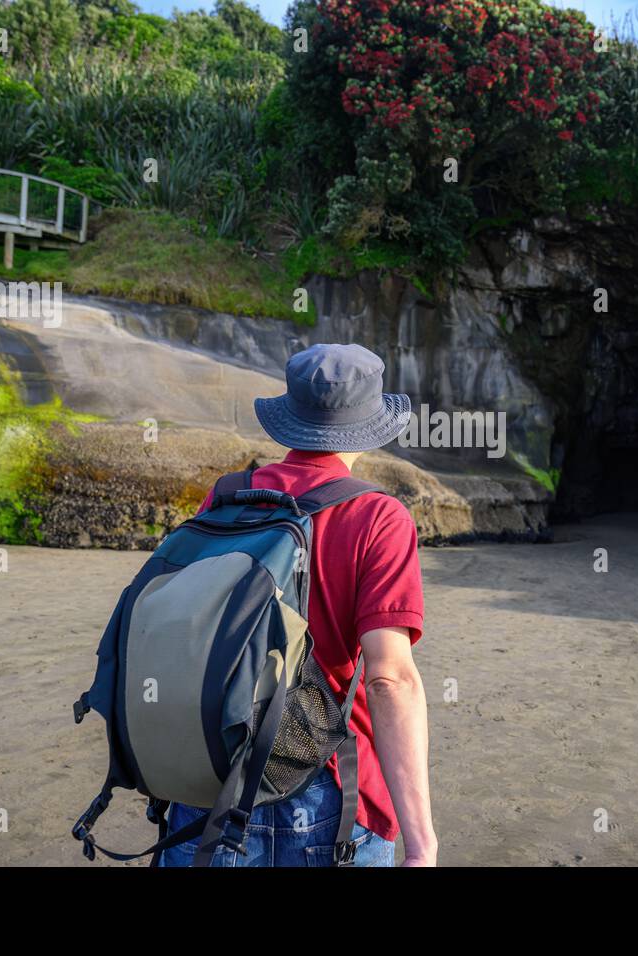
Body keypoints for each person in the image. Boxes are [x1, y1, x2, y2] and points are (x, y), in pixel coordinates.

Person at [160, 343, 438, 867]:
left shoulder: (228, 497)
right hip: (329, 792)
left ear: (291, 415)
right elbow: (389, 680)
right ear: (370, 425)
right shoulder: (379, 517)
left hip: (210, 785)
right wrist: (422, 844)